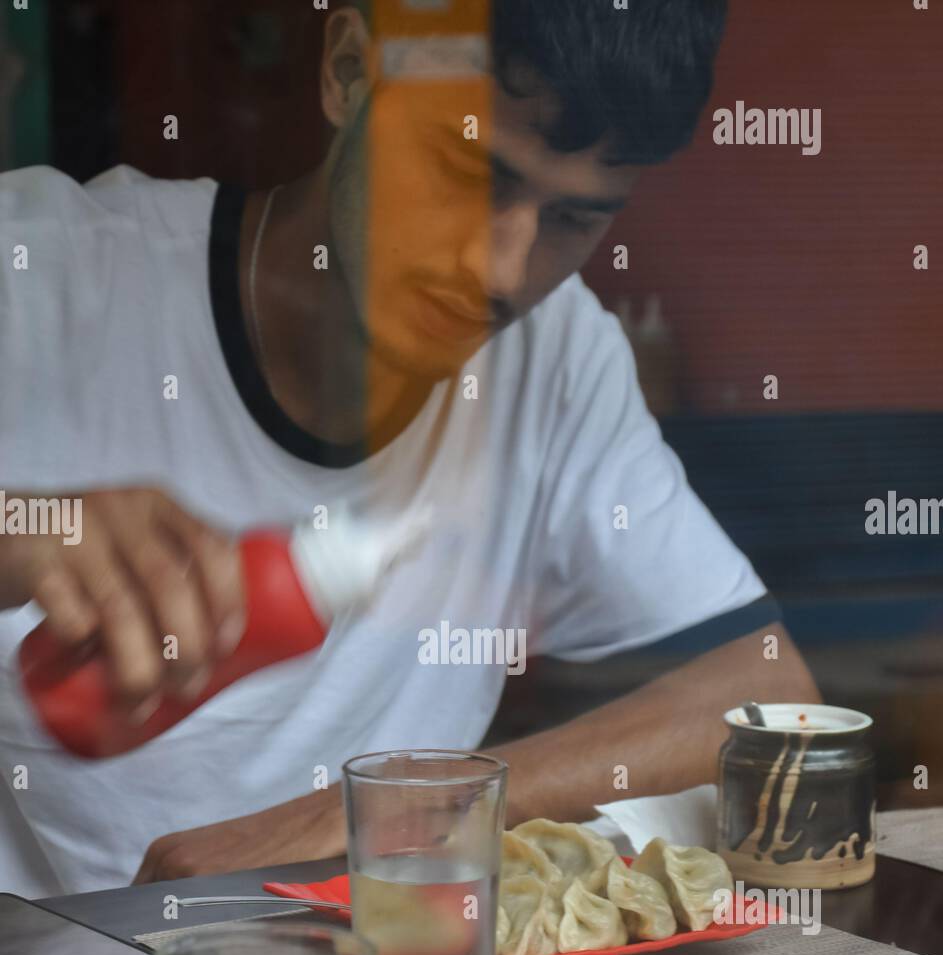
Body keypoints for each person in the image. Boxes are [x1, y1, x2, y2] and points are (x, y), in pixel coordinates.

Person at [0, 0, 818, 896]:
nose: (502, 270)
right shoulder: (40, 277)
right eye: (471, 173)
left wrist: (363, 819)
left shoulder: (556, 357)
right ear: (349, 70)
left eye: (573, 221)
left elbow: (771, 697)